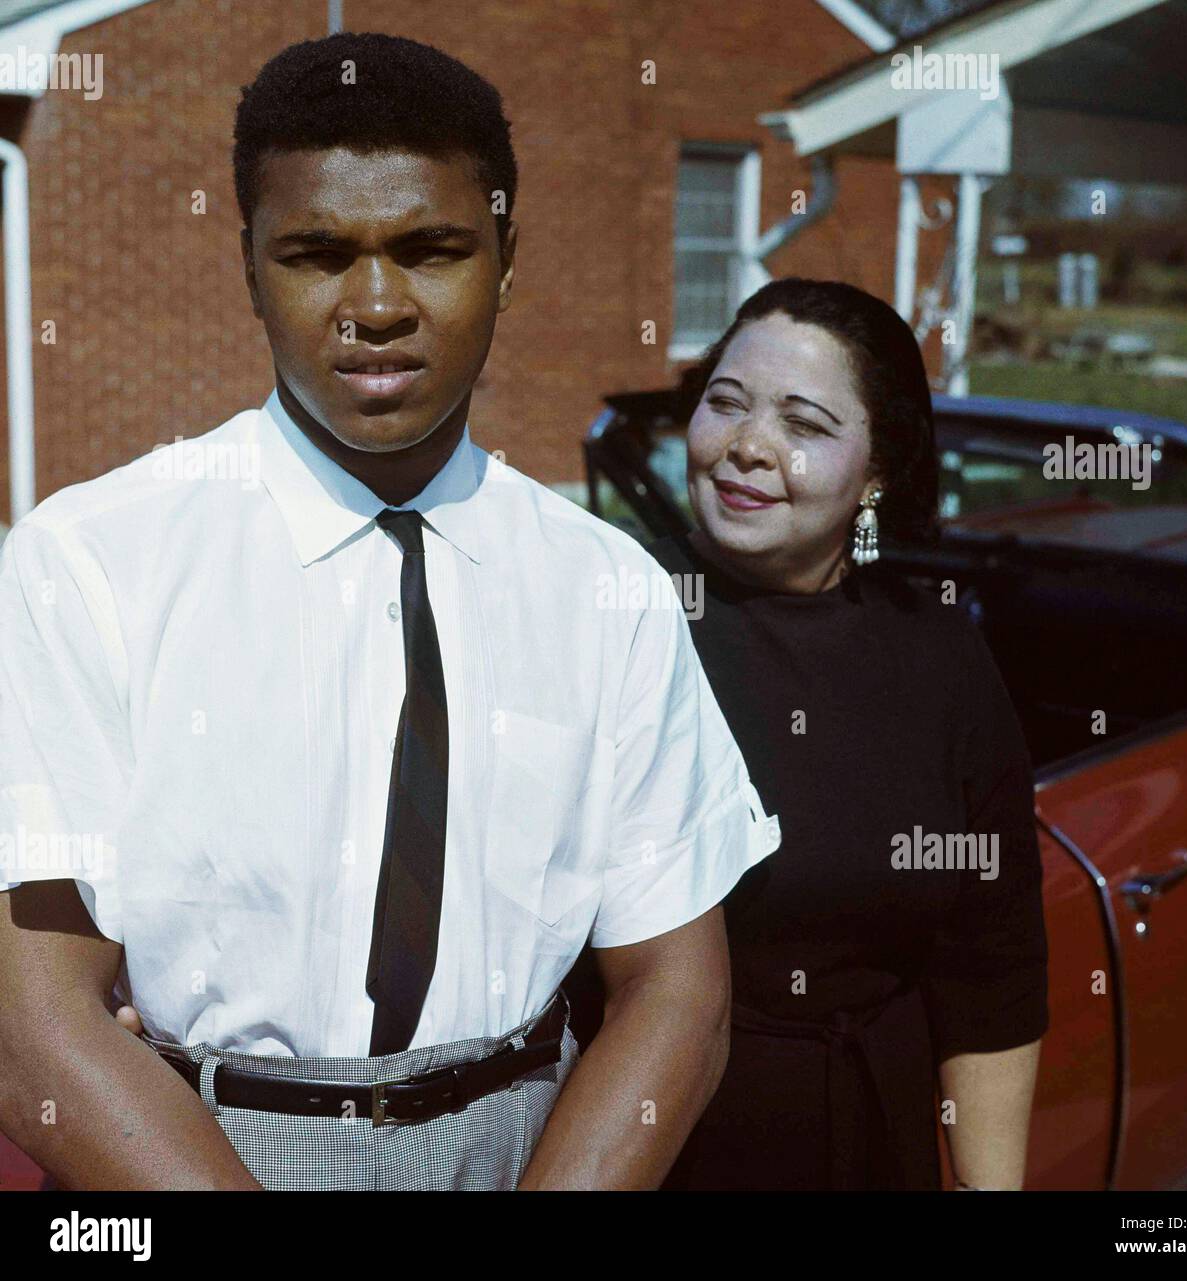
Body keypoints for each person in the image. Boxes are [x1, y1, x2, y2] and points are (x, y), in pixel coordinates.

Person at [0, 32, 781, 1192]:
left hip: (531, 1152)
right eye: (318, 254)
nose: (375, 305)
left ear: (507, 261)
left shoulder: (603, 587)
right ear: (252, 266)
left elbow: (678, 993)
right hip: (186, 1160)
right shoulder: (89, 561)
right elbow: (33, 1028)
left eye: (432, 249)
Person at [582, 277, 1049, 1190]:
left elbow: (990, 975)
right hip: (644, 1150)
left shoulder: (941, 659)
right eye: (726, 403)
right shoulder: (616, 614)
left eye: (805, 424)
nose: (748, 447)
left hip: (872, 1139)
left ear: (878, 470)